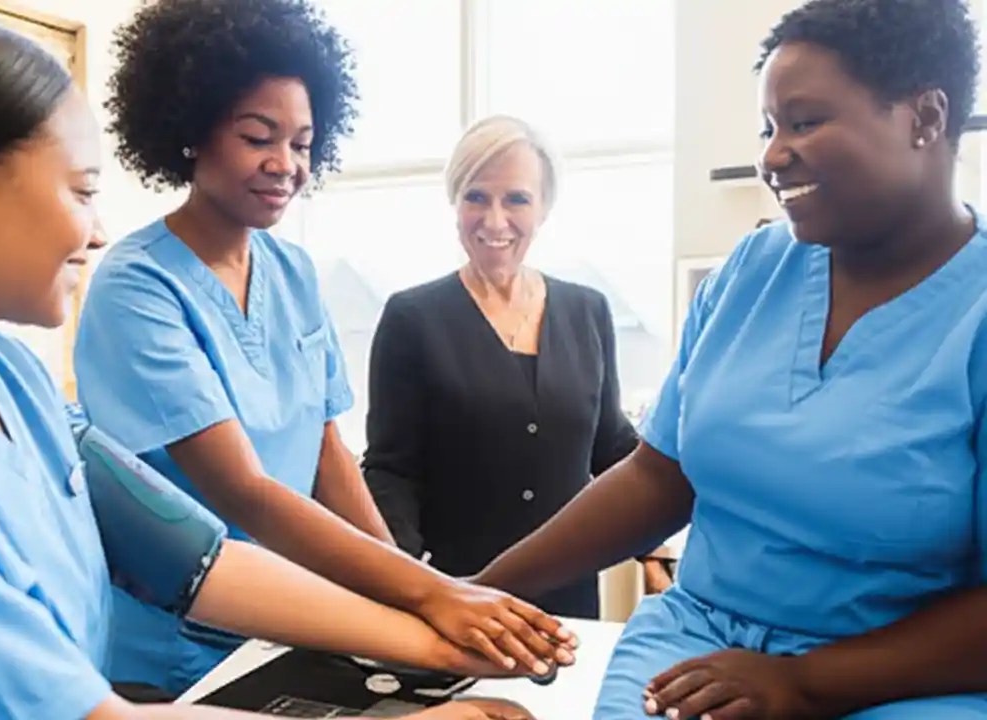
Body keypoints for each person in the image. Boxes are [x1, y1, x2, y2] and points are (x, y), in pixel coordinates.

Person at [0, 5, 541, 719]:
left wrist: (439, 624)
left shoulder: (12, 378)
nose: (97, 231)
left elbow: (194, 558)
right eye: (80, 190)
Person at [474, 0, 987, 717]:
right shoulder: (752, 270)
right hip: (698, 640)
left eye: (804, 123)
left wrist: (804, 682)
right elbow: (660, 475)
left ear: (925, 120)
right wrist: (479, 593)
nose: (774, 154)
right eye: (769, 128)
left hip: (907, 677)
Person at [77, 0, 573, 696]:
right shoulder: (136, 287)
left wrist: (413, 584)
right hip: (173, 651)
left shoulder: (292, 272)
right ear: (191, 131)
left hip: (296, 622)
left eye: (304, 144)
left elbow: (327, 454)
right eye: (259, 137)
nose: (286, 164)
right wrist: (427, 596)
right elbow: (244, 490)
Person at [361, 116, 638, 620]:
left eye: (516, 199)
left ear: (544, 208)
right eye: (475, 197)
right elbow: (391, 469)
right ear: (455, 203)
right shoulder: (412, 317)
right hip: (460, 599)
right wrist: (403, 582)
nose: (494, 220)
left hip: (571, 603)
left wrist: (656, 546)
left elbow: (613, 447)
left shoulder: (587, 311)